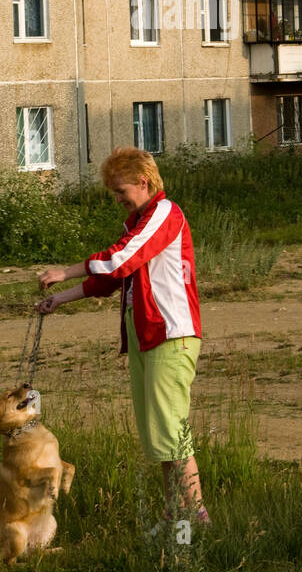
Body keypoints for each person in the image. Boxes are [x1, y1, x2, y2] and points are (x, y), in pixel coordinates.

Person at [35, 146, 209, 527]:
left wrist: (66, 271)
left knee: (172, 432)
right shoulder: (138, 222)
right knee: (161, 437)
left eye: (120, 190)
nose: (116, 198)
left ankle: (198, 518)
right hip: (146, 334)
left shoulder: (165, 212)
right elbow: (113, 278)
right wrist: (60, 299)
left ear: (143, 182)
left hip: (169, 333)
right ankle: (175, 514)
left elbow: (120, 259)